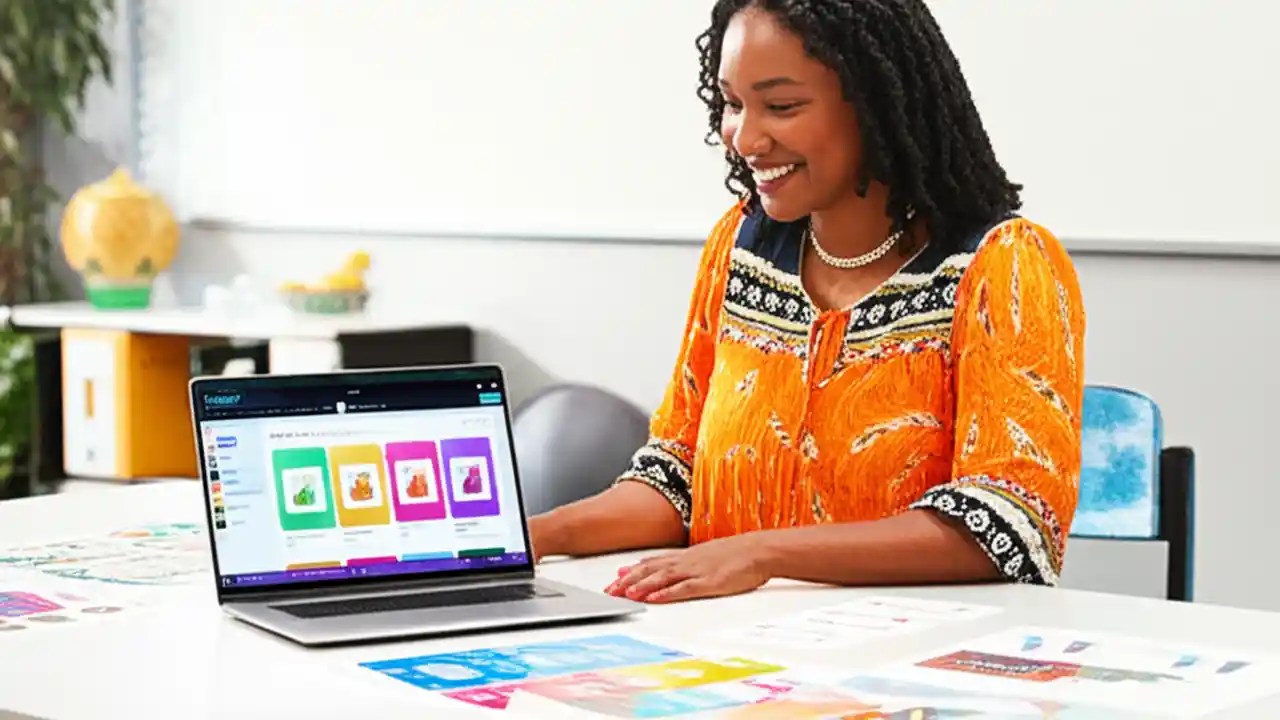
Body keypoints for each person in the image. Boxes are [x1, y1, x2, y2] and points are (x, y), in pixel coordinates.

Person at [528, 0, 1086, 604]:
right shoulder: (738, 247)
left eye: (782, 106)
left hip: (911, 668)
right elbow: (678, 475)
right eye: (732, 104)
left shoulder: (1001, 265)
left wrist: (762, 554)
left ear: (872, 104)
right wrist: (534, 535)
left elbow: (1004, 527)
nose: (745, 137)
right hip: (731, 652)